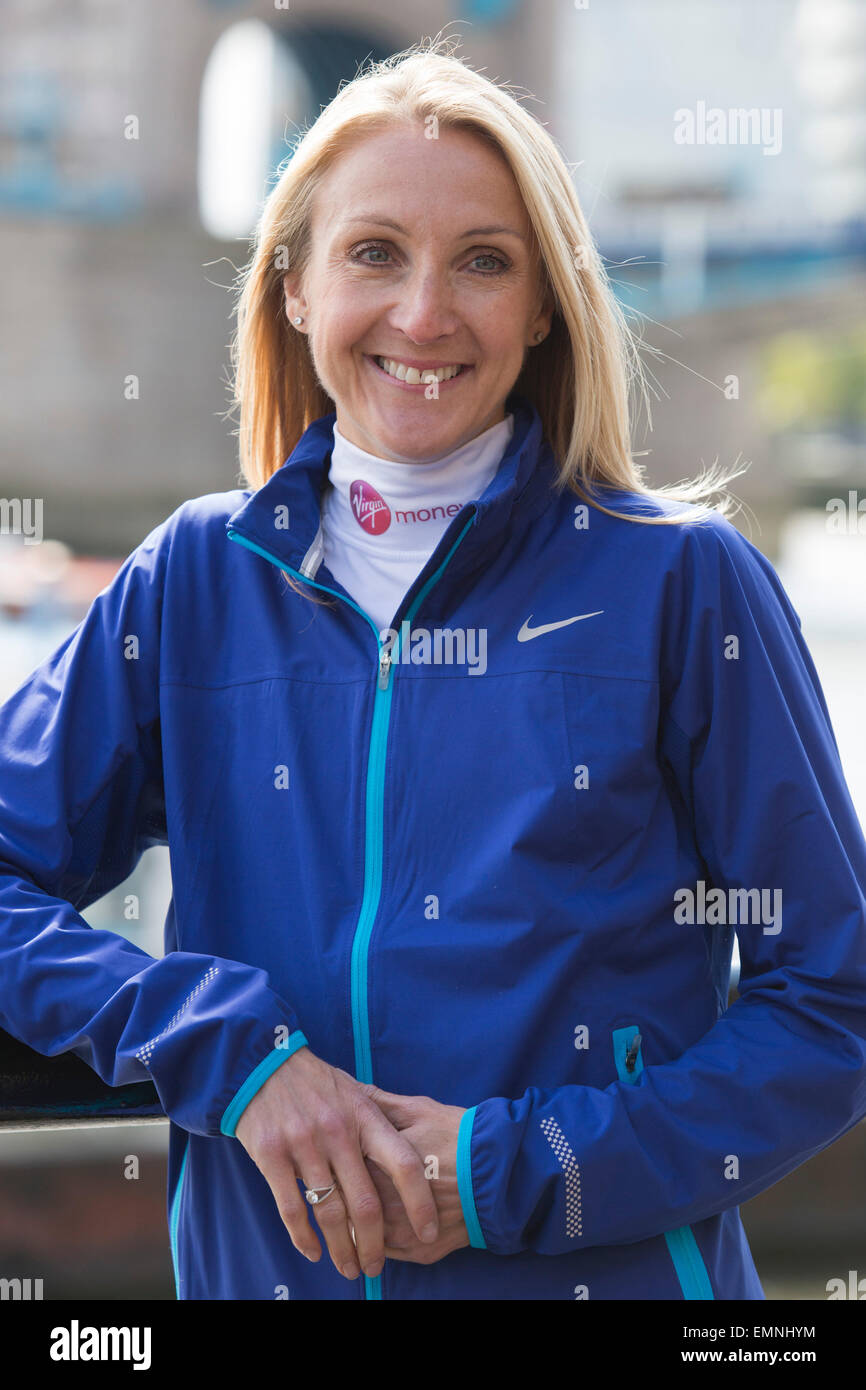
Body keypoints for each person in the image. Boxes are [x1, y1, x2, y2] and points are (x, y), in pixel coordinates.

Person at [1, 37, 865, 1303]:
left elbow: (830, 1004)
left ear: (544, 306)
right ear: (292, 286)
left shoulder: (683, 587)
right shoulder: (192, 581)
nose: (422, 314)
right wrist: (224, 1050)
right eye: (372, 253)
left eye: (482, 262)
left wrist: (523, 1168)